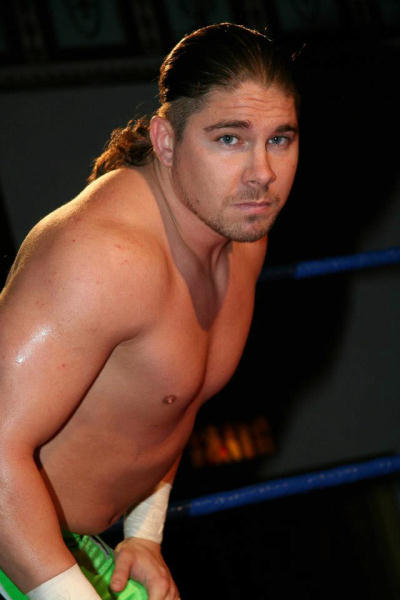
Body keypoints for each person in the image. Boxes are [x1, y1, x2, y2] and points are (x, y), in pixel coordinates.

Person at [0, 22, 299, 600]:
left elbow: (169, 397)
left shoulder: (241, 238)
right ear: (165, 141)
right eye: (229, 139)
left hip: (60, 544)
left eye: (280, 139)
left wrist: (144, 532)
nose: (261, 172)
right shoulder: (103, 256)